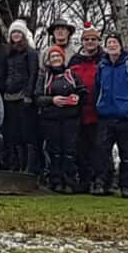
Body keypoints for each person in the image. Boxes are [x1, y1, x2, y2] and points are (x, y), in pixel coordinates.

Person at [92, 32, 128, 198]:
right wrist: (98, 106)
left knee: (127, 154)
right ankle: (102, 184)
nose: (111, 46)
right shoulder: (102, 66)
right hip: (105, 115)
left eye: (114, 42)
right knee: (102, 152)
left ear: (120, 45)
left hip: (127, 116)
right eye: (109, 43)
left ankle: (126, 186)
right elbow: (97, 89)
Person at [34, 45, 87, 193]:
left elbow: (83, 91)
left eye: (58, 56)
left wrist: (77, 97)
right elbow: (37, 98)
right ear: (48, 61)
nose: (56, 59)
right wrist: (53, 100)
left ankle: (69, 181)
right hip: (51, 119)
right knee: (54, 151)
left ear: (63, 58)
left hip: (71, 118)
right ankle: (55, 181)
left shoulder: (71, 75)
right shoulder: (44, 77)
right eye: (53, 57)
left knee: (69, 151)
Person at [67, 23, 103, 193]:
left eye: (93, 39)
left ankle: (100, 180)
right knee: (80, 148)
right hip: (78, 111)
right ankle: (84, 180)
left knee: (98, 147)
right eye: (87, 39)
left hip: (98, 111)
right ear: (82, 41)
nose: (90, 42)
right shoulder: (74, 60)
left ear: (98, 41)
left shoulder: (104, 59)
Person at [2, 19, 38, 172]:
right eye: (13, 33)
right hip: (9, 97)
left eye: (18, 32)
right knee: (14, 133)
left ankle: (29, 167)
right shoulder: (9, 54)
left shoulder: (30, 53)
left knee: (27, 133)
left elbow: (33, 74)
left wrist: (28, 95)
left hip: (24, 97)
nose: (16, 35)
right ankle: (17, 164)